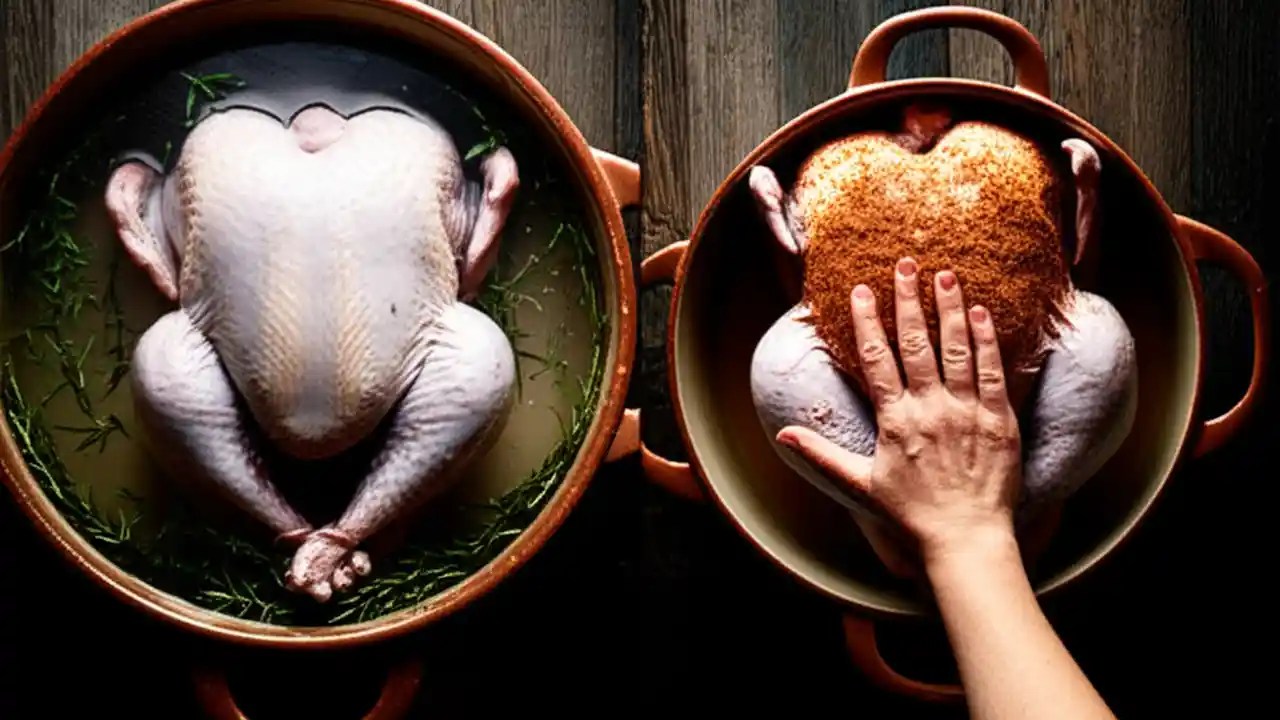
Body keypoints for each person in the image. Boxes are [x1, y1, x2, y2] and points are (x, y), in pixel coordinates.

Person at [775, 258, 1116, 720]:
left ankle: (911, 529)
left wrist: (962, 529)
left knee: (1099, 345)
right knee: (1100, 341)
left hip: (978, 538)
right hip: (1000, 551)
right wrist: (967, 530)